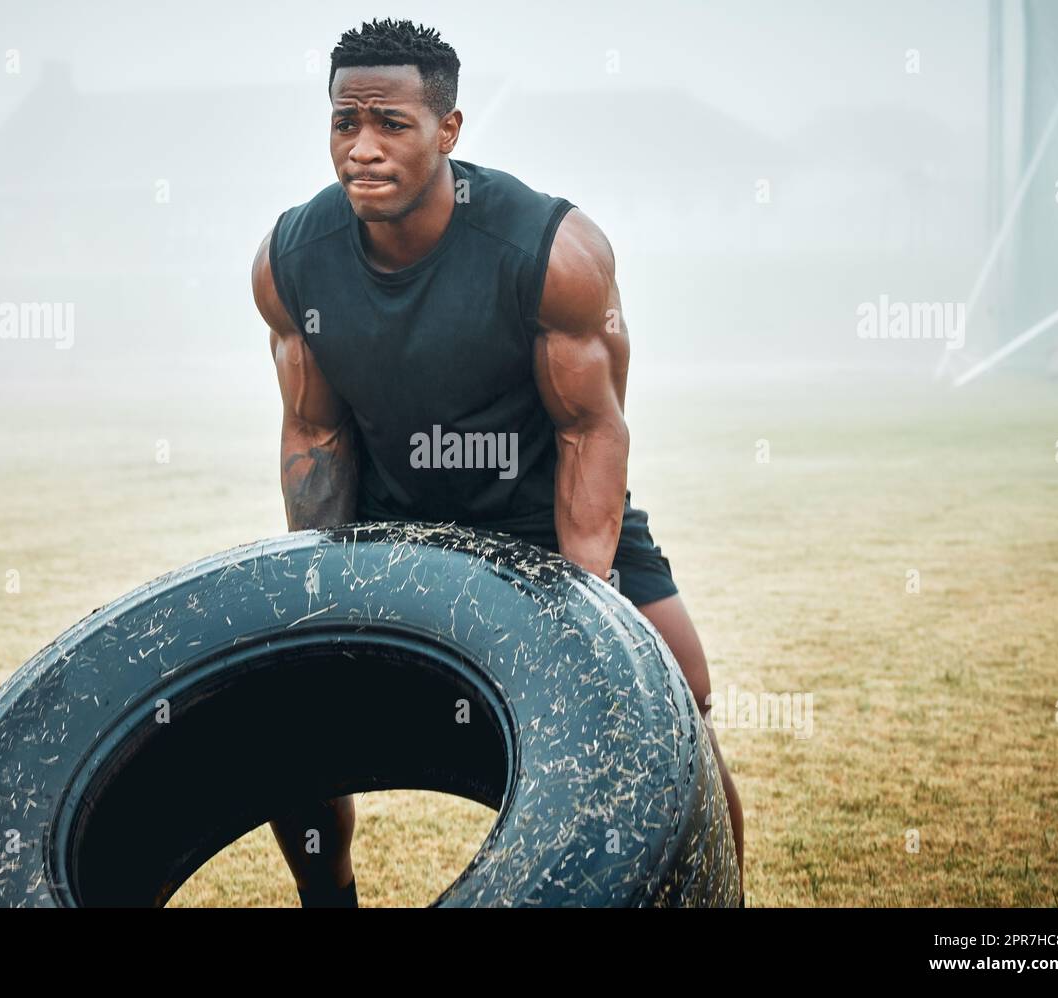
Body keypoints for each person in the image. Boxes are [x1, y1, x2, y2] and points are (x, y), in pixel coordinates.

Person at [251, 17, 744, 908]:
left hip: (541, 508)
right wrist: (322, 590)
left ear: (448, 130)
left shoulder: (549, 251)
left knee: (683, 698)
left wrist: (583, 610)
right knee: (294, 720)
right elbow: (313, 435)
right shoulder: (291, 259)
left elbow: (593, 432)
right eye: (342, 123)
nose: (361, 149)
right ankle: (330, 901)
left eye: (390, 125)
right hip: (393, 518)